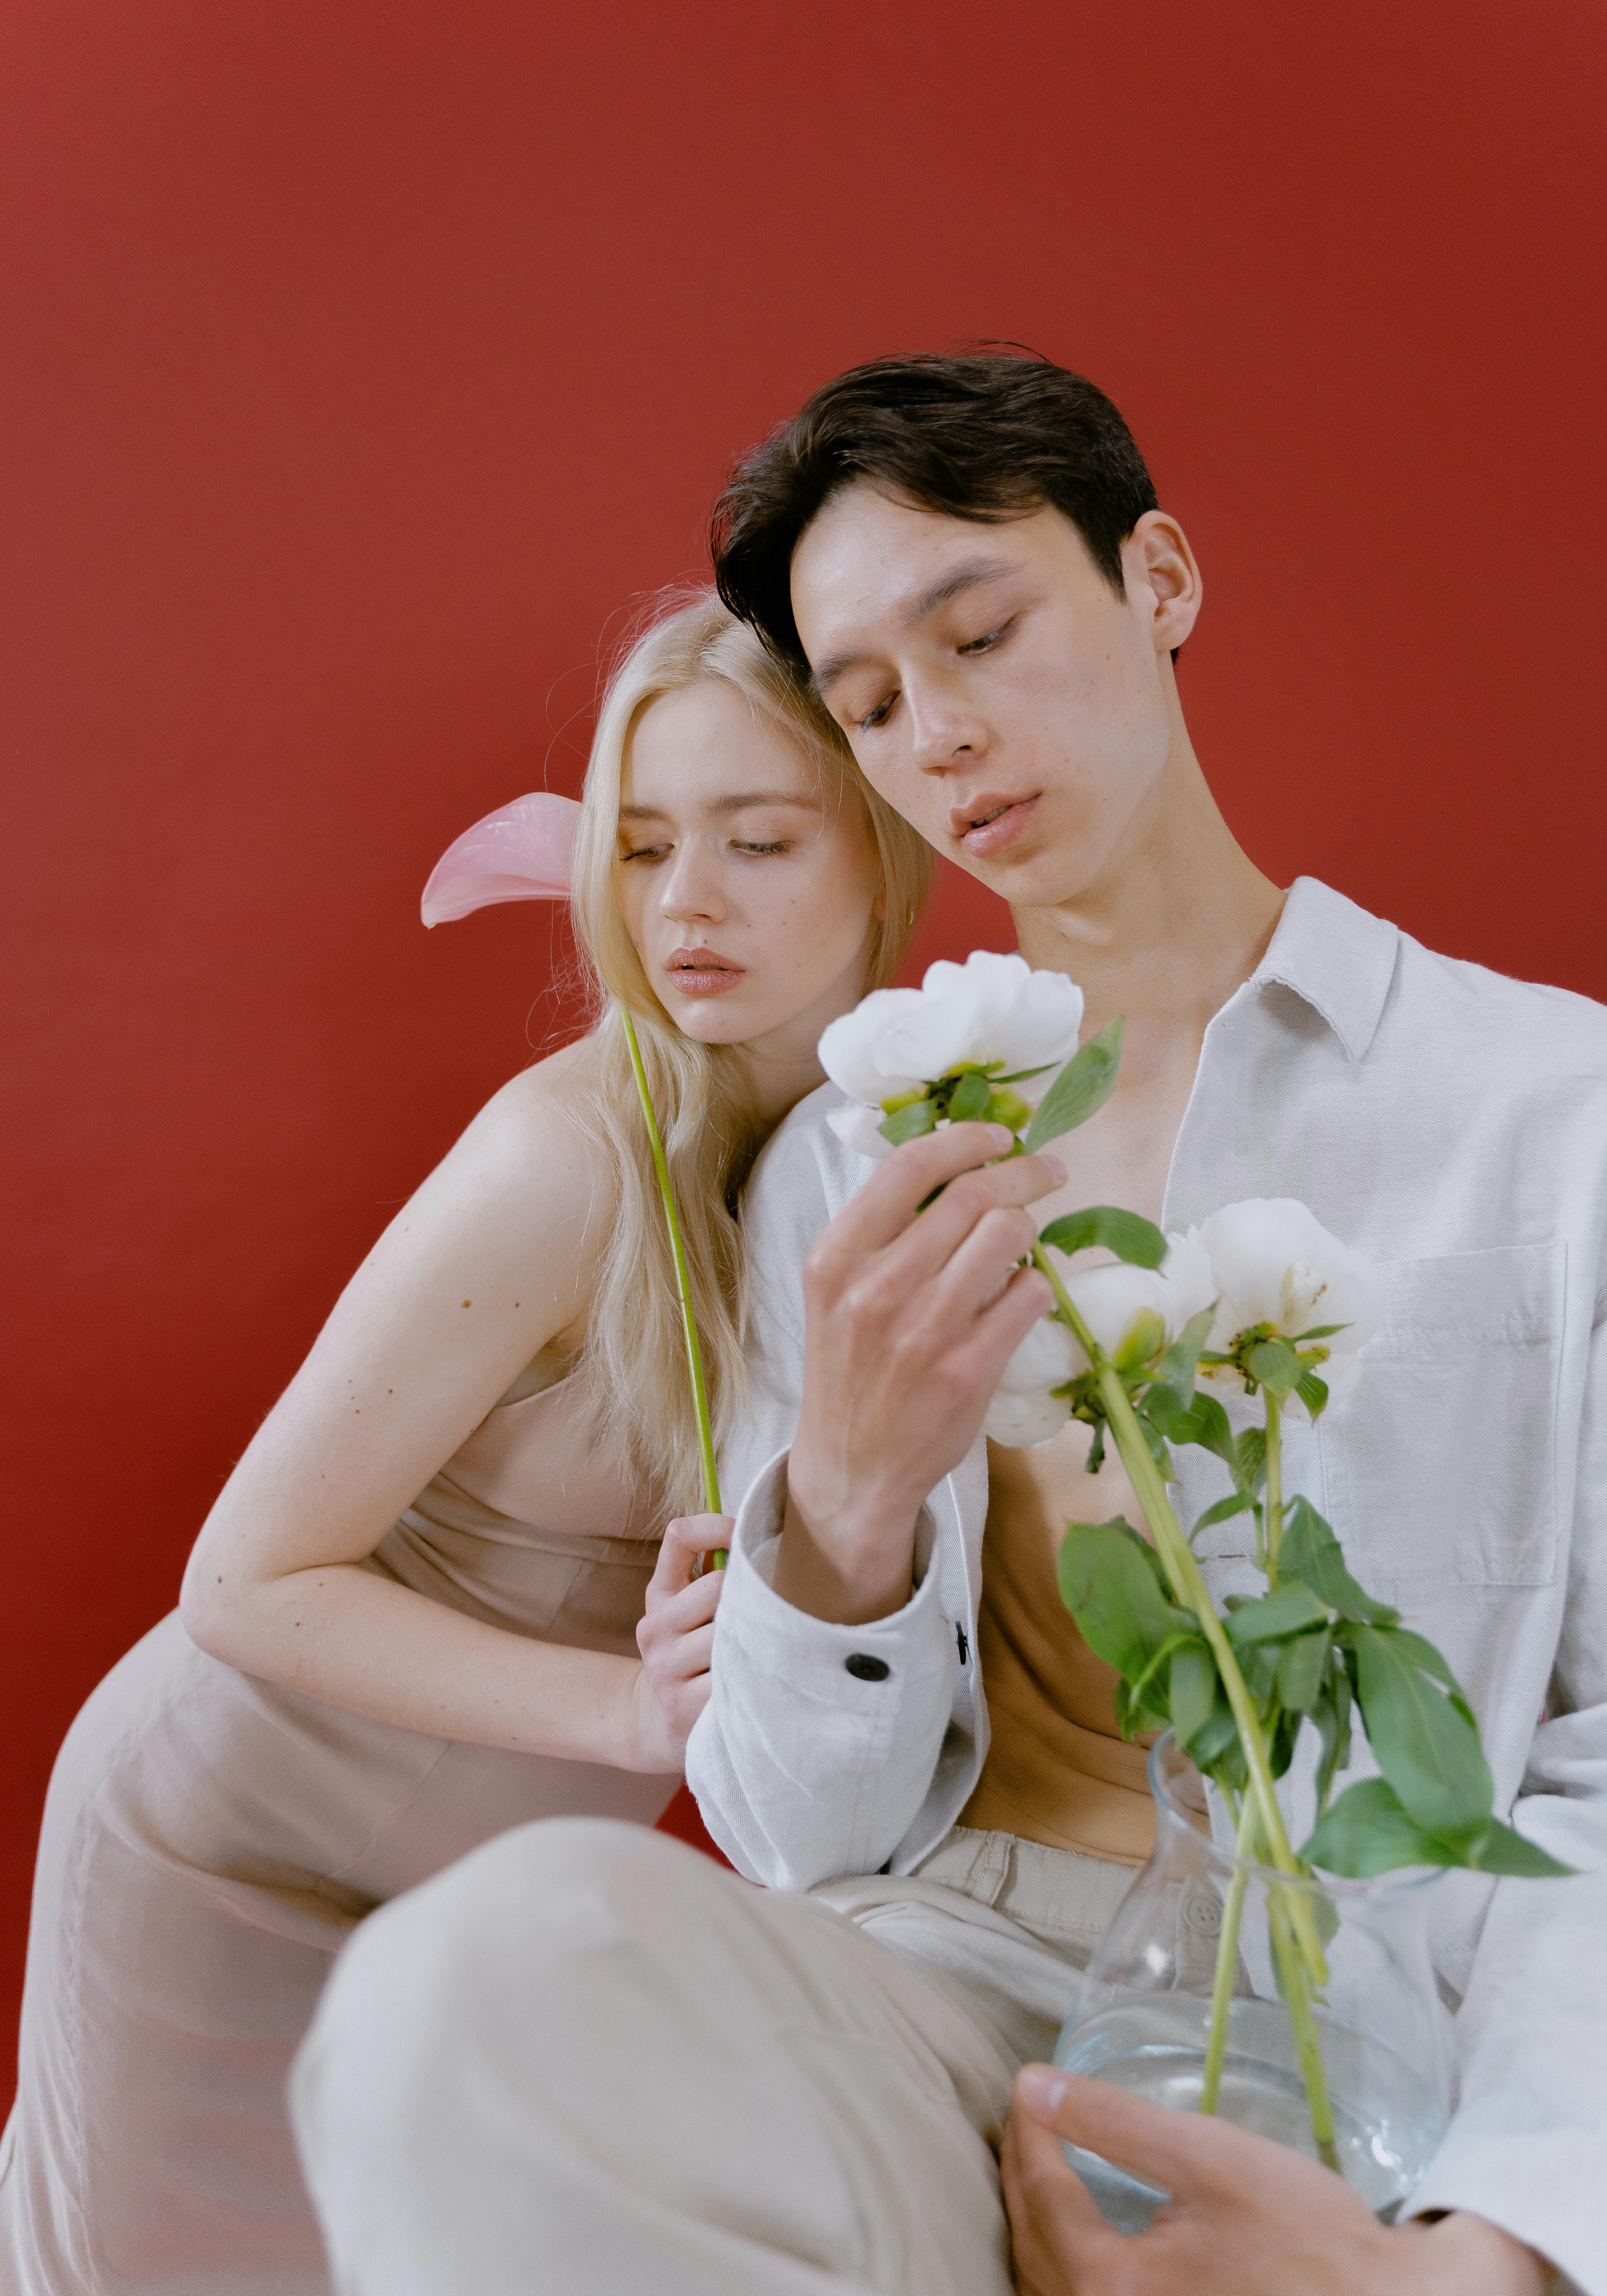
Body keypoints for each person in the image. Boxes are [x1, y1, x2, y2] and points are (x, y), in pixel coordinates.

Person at [288, 354, 1605, 2295]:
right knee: (469, 1976)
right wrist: (841, 1503)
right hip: (941, 1985)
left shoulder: (1548, 1110)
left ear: (1154, 580)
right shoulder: (850, 1162)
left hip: (1381, 2031)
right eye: (875, 704)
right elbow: (787, 1827)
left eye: (981, 634)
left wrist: (1487, 2257)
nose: (946, 737)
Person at [0, 588, 933, 2296]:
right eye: (644, 846)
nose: (686, 905)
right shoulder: (561, 1165)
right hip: (231, 1861)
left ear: (884, 850)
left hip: (463, 1907)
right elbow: (245, 1581)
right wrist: (619, 1710)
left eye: (758, 840)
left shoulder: (877, 1140)